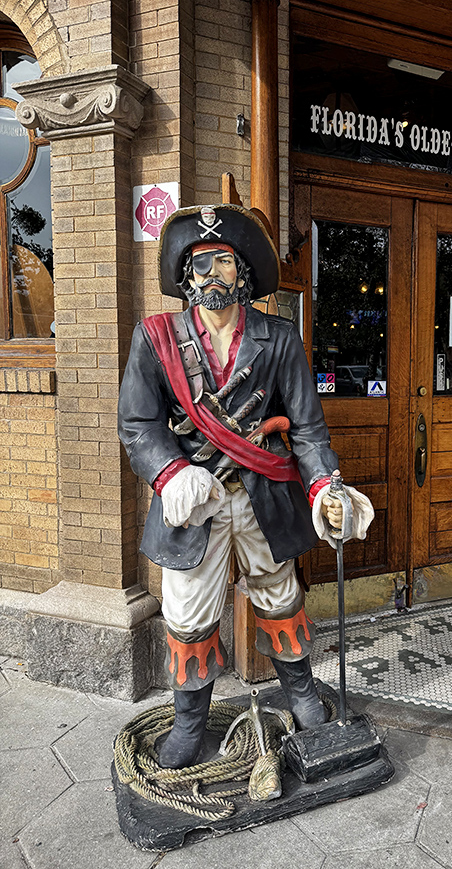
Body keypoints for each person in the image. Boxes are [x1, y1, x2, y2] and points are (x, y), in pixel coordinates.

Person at [118, 204, 372, 769]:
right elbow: (137, 423)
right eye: (201, 262)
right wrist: (171, 471)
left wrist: (326, 487)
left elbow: (306, 428)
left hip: (261, 494)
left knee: (280, 596)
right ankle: (189, 723)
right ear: (185, 274)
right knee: (186, 612)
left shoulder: (279, 338)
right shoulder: (155, 338)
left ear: (244, 273)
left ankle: (302, 691)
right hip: (193, 501)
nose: (212, 274)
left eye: (224, 262)